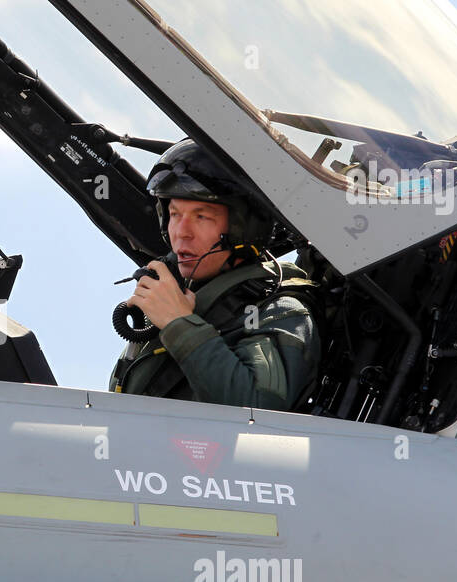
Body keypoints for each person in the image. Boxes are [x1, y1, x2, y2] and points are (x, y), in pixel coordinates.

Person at [110, 139, 320, 410]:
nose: (181, 232)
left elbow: (258, 407)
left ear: (242, 228)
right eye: (174, 214)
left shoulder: (280, 311)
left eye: (201, 217)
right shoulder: (183, 294)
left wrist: (179, 323)